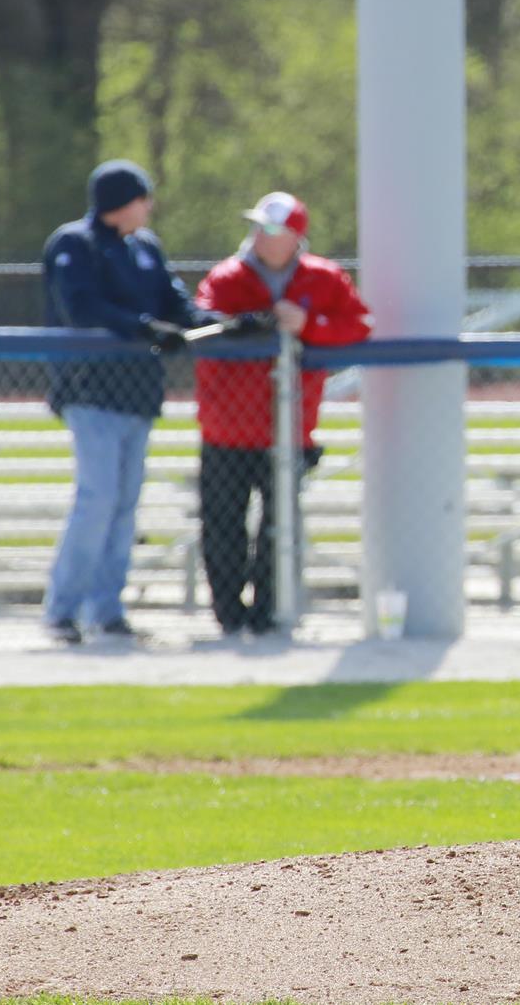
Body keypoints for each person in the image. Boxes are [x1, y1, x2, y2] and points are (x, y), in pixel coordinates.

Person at [41, 159, 216, 645]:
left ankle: (106, 609)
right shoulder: (75, 243)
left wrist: (218, 320)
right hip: (90, 389)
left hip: (138, 392)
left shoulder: (145, 246)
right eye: (143, 197)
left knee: (123, 506)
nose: (150, 206)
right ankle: (62, 610)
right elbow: (81, 307)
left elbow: (175, 304)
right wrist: (143, 326)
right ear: (122, 202)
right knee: (97, 500)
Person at [194, 192, 373, 635]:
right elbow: (202, 321)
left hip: (288, 428)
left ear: (296, 237)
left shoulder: (323, 278)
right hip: (227, 428)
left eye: (272, 229)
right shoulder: (227, 277)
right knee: (222, 526)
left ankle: (270, 613)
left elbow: (358, 326)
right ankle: (230, 617)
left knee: (279, 528)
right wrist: (250, 324)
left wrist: (307, 325)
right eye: (258, 226)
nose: (260, 235)